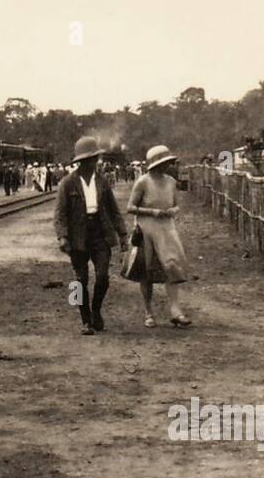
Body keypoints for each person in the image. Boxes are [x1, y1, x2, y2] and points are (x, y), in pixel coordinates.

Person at [55, 136, 128, 335]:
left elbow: (114, 211)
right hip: (78, 235)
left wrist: (122, 235)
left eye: (94, 158)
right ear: (80, 161)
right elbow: (60, 214)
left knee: (103, 277)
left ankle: (96, 310)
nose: (92, 162)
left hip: (100, 233)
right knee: (79, 281)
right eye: (88, 159)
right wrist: (62, 236)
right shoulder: (67, 183)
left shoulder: (102, 181)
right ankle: (85, 319)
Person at [125, 145, 192, 327]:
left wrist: (172, 210)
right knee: (146, 272)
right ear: (154, 164)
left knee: (172, 267)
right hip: (147, 230)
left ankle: (175, 311)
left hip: (167, 230)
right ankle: (149, 312)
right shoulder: (143, 182)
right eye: (163, 163)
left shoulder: (171, 181)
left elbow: (177, 204)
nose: (167, 166)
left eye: (168, 163)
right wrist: (151, 211)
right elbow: (130, 207)